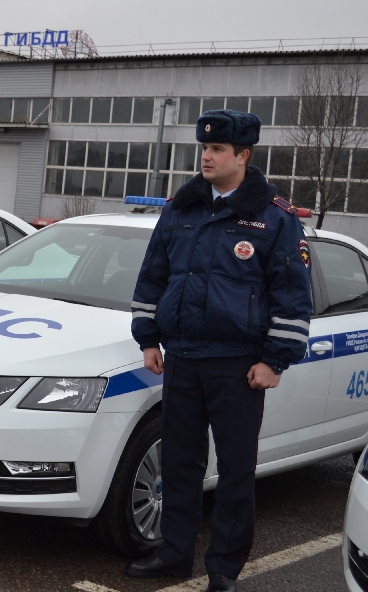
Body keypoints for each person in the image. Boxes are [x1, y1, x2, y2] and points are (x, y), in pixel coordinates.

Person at [126, 109, 313, 592]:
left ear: (243, 155)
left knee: (235, 470)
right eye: (203, 149)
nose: (206, 157)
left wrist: (275, 360)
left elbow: (292, 295)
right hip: (184, 357)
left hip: (238, 366)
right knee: (180, 463)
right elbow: (153, 276)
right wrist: (148, 337)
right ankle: (173, 553)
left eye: (217, 150)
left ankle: (224, 570)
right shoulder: (181, 208)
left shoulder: (274, 216)